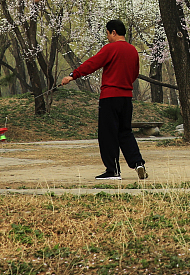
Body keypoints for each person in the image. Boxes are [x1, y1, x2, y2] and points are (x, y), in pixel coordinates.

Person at [60, 20, 148, 181]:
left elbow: (92, 64)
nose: (107, 37)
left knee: (108, 134)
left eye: (107, 34)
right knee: (125, 132)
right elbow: (135, 73)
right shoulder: (133, 51)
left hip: (110, 97)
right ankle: (138, 163)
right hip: (126, 98)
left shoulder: (110, 48)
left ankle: (113, 170)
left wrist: (73, 75)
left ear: (113, 32)